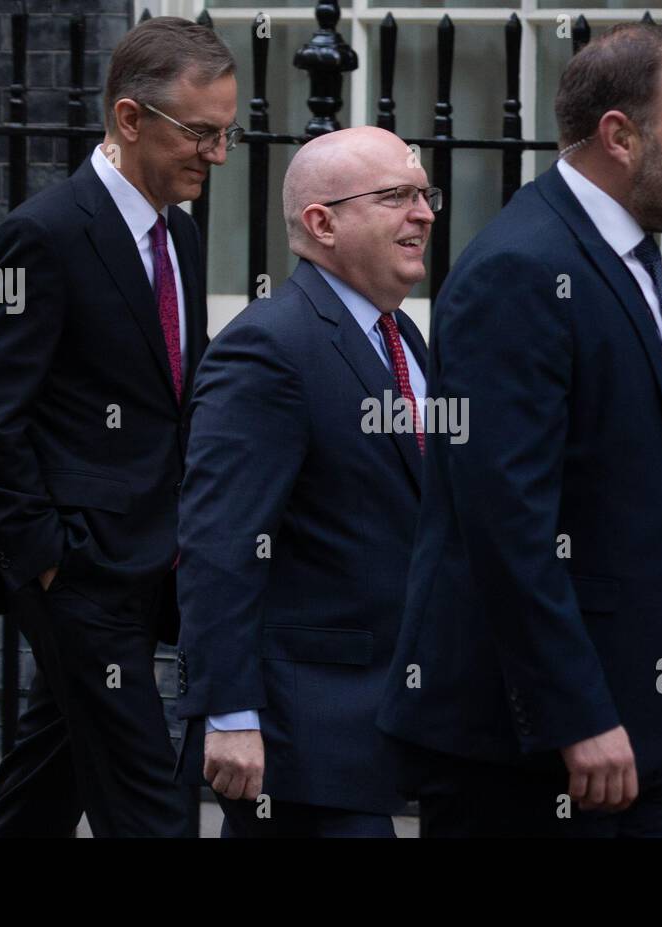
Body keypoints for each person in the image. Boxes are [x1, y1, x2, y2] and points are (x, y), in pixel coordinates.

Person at [377, 21, 662, 837]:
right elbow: (506, 522)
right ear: (620, 136)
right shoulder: (520, 269)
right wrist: (576, 714)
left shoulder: (627, 255)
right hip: (542, 748)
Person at [0, 16, 239, 837]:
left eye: (227, 135)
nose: (216, 156)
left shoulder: (178, 233)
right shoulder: (42, 234)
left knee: (40, 797)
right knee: (151, 808)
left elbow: (174, 390)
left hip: (150, 559)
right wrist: (48, 562)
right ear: (128, 118)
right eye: (201, 134)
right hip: (79, 573)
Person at [174, 127, 435, 837]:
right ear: (322, 222)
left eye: (424, 194)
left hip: (383, 725)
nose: (425, 213)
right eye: (396, 197)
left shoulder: (403, 339)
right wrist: (229, 714)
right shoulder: (269, 346)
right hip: (300, 739)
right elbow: (219, 542)